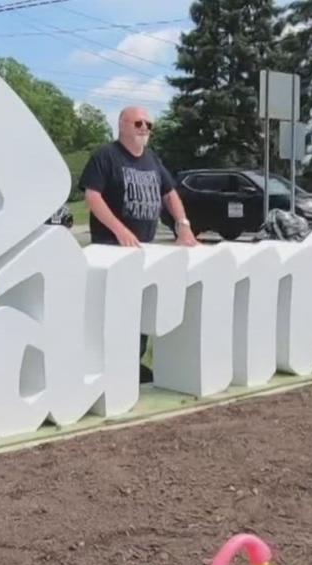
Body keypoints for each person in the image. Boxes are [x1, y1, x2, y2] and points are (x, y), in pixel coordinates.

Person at [77, 105, 198, 384]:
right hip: (112, 250)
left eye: (149, 125)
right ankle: (111, 368)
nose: (144, 128)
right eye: (138, 123)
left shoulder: (152, 160)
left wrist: (184, 226)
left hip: (144, 250)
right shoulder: (105, 157)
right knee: (116, 312)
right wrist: (119, 230)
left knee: (141, 308)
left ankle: (135, 365)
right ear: (122, 125)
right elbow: (93, 197)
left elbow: (169, 194)